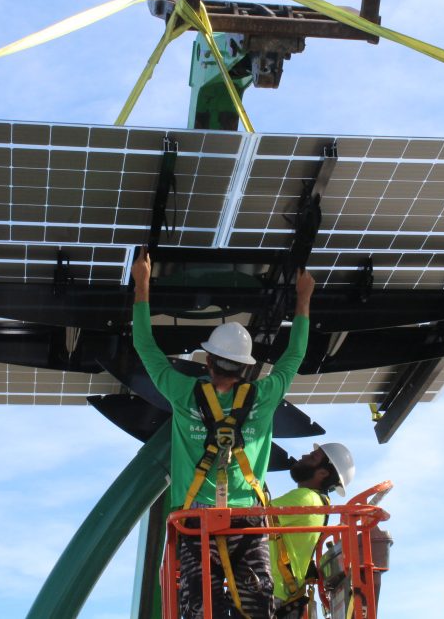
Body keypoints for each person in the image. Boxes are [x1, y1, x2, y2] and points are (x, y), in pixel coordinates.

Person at [131, 246, 315, 619]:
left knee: (202, 606)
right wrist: (303, 299)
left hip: (195, 518)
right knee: (257, 604)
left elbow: (144, 345)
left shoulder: (183, 393)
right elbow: (293, 356)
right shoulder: (264, 396)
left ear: (209, 360)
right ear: (245, 369)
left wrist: (142, 285)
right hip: (247, 515)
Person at [268, 443, 356, 615]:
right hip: (280, 591)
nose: (303, 456)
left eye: (313, 457)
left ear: (322, 473)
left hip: (268, 590)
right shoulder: (319, 504)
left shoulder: (306, 498)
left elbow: (249, 517)